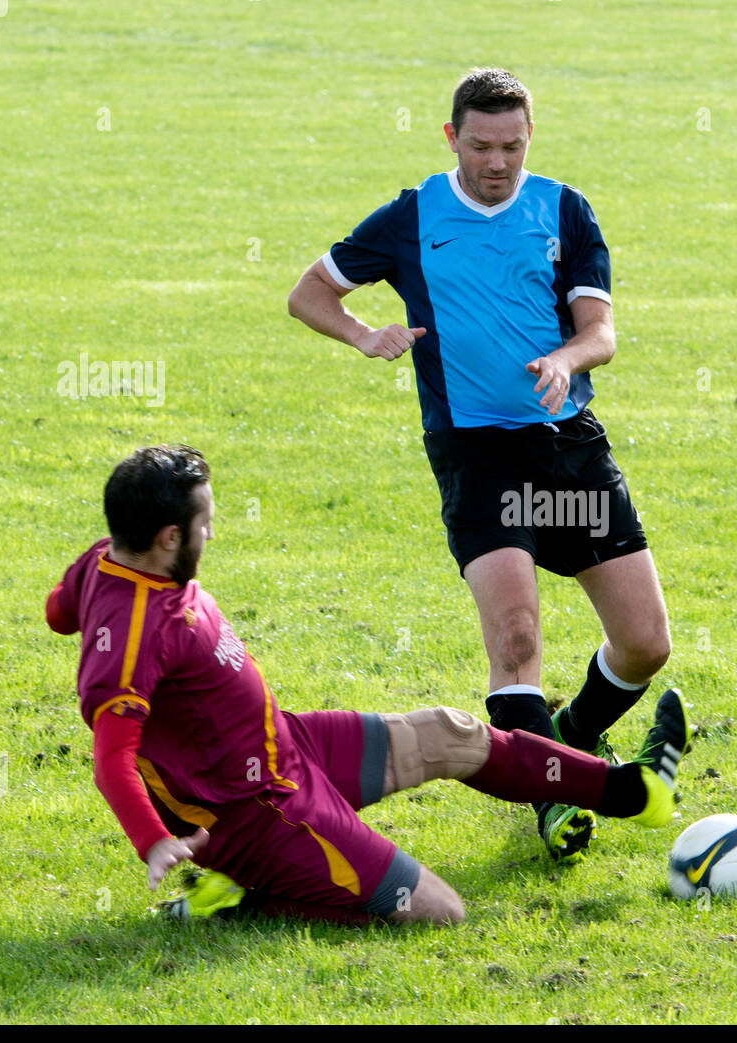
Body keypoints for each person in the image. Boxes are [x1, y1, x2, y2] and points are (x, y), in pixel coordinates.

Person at [44, 445, 690, 925]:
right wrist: (153, 840)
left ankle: (636, 791)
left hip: (288, 744)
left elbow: (58, 611)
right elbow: (110, 759)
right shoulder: (131, 639)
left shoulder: (105, 558)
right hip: (263, 814)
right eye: (205, 522)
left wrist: (78, 610)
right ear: (167, 537)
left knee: (451, 732)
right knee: (439, 910)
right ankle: (246, 895)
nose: (213, 531)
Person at [287, 67, 674, 863]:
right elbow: (310, 293)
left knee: (643, 644)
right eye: (482, 145)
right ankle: (556, 800)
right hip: (478, 455)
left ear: (531, 137)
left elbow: (601, 331)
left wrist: (568, 359)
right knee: (517, 634)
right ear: (451, 137)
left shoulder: (564, 209)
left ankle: (568, 739)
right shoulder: (412, 216)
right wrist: (365, 336)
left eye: (513, 146)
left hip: (567, 449)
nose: (498, 162)